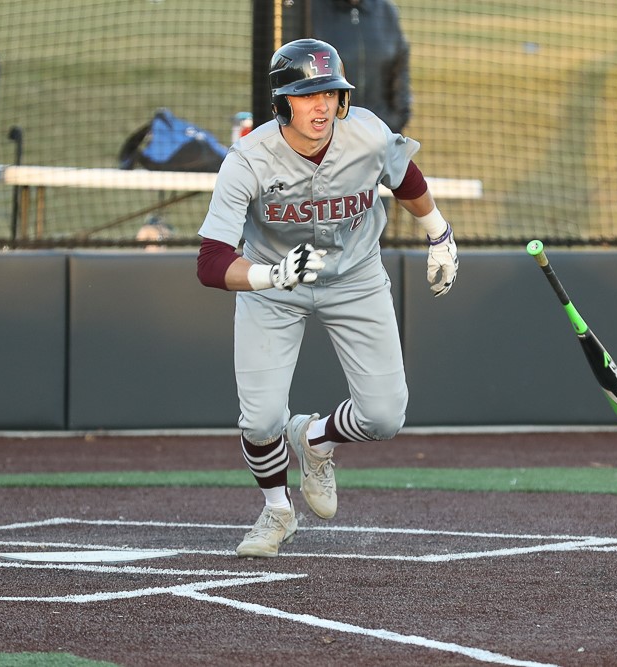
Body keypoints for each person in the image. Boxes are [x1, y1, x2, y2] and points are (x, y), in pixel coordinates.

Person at [195, 38, 458, 558]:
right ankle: (276, 511)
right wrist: (272, 275)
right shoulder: (247, 159)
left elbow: (405, 177)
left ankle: (315, 439)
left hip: (355, 276)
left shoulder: (367, 134)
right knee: (260, 420)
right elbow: (210, 263)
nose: (321, 106)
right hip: (273, 288)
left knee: (385, 417)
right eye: (306, 94)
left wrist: (438, 231)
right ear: (282, 102)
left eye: (330, 93)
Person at [290, 0, 411, 134]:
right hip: (328, 138)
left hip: (380, 135)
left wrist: (395, 121)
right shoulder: (309, 10)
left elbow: (399, 70)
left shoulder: (386, 11)